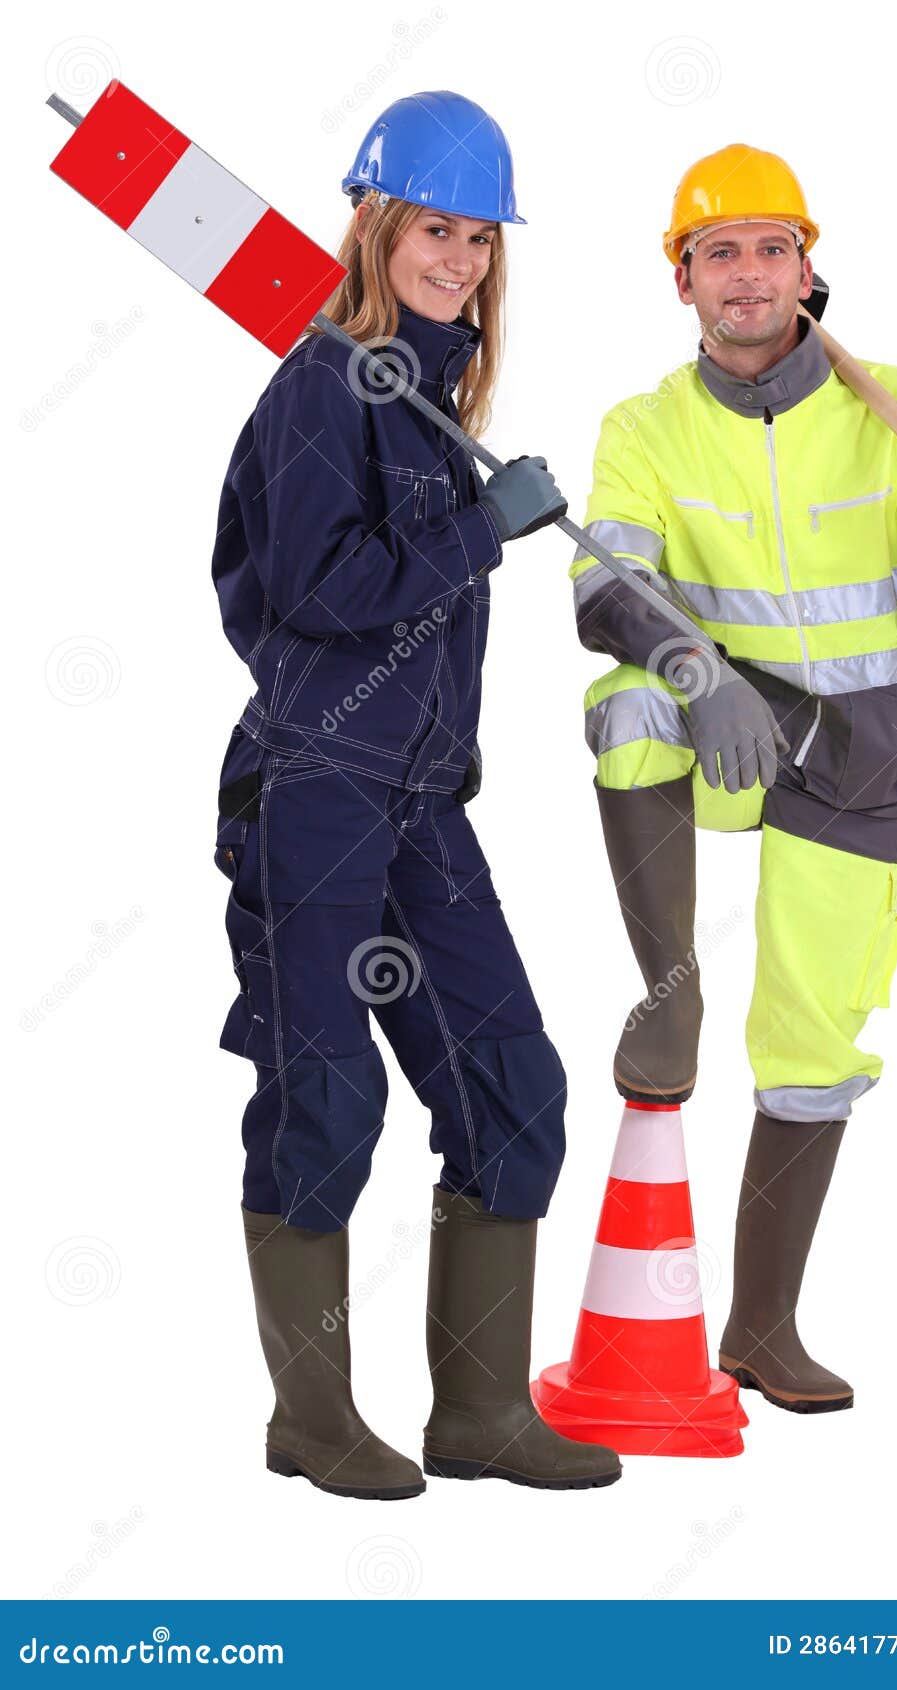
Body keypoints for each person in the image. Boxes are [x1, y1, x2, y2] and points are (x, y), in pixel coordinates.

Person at [570, 143, 897, 1415]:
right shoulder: (643, 428)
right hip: (724, 733)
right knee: (625, 707)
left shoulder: (891, 402)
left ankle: (760, 1331)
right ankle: (670, 993)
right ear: (681, 281)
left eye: (771, 249)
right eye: (718, 252)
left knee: (813, 1043)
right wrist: (691, 664)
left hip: (855, 755)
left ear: (806, 270)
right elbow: (601, 581)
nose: (747, 275)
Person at [211, 91, 621, 1496]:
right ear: (376, 228)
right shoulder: (325, 383)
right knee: (322, 1098)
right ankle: (312, 1418)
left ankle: (480, 1414)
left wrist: (463, 503)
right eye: (432, 228)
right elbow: (312, 596)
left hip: (420, 804)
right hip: (315, 793)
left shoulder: (426, 400)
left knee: (513, 1087)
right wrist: (475, 529)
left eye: (478, 235)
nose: (458, 256)